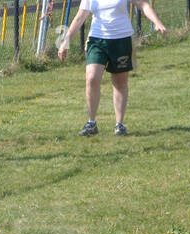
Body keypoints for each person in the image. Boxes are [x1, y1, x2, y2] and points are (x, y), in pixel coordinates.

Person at [58, 0, 166, 136]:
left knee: (120, 83)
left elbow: (143, 5)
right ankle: (91, 123)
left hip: (121, 39)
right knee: (91, 78)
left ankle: (119, 124)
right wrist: (65, 41)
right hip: (97, 39)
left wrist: (157, 22)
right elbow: (80, 16)